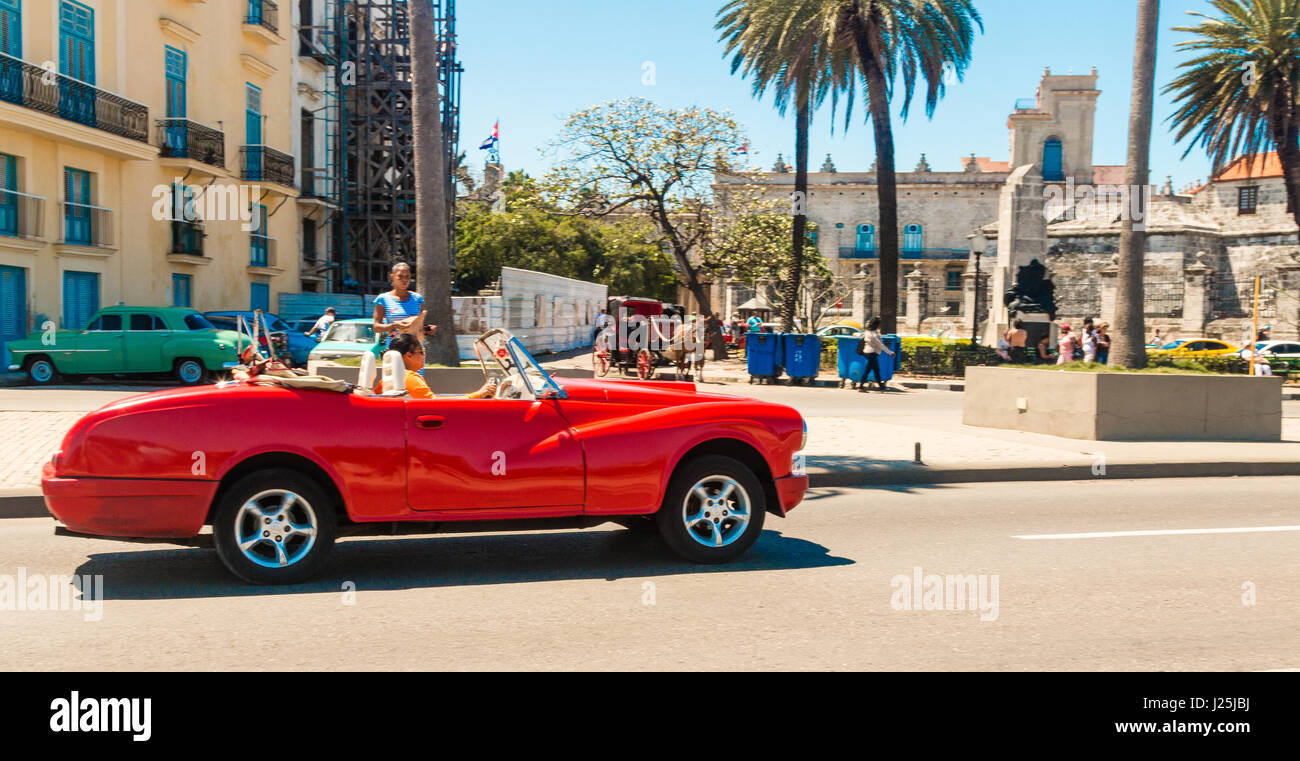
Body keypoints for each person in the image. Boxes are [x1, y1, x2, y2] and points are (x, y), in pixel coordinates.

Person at [390, 334, 496, 399]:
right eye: (421, 351)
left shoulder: (391, 378)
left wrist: (476, 394)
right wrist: (478, 395)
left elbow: (434, 398)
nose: (424, 355)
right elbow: (436, 404)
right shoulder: (410, 378)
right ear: (409, 355)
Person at [373, 262, 429, 352]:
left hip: (415, 351)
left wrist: (428, 329)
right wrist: (394, 326)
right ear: (392, 277)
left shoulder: (417, 299)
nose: (404, 279)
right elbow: (376, 327)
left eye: (407, 276)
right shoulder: (383, 299)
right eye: (400, 276)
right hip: (395, 349)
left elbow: (420, 325)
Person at [855, 317, 896, 392]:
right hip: (871, 353)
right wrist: (890, 352)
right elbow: (880, 345)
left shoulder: (868, 331)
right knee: (868, 370)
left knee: (876, 370)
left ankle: (881, 387)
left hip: (869, 352)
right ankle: (860, 387)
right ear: (876, 324)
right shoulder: (873, 334)